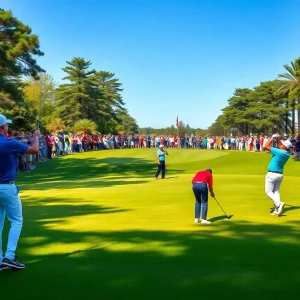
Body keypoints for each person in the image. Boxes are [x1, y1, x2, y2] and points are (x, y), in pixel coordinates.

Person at [0, 114, 40, 270]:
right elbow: (34, 150)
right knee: (17, 220)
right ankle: (9, 256)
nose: (8, 127)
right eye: (7, 125)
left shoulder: (10, 142)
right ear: (3, 127)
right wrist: (36, 137)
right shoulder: (8, 143)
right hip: (7, 187)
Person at [264, 134, 293, 216]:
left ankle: (279, 204)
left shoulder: (279, 152)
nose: (281, 145)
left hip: (272, 174)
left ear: (284, 147)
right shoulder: (287, 154)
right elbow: (280, 145)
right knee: (276, 191)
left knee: (268, 191)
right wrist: (277, 139)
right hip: (279, 175)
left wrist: (271, 138)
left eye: (282, 144)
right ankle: (277, 210)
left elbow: (266, 146)